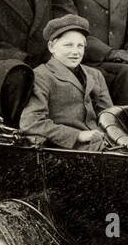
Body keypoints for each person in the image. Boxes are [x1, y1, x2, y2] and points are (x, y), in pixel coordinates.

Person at [19, 14, 113, 150]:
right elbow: (31, 123)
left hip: (102, 144)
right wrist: (78, 135)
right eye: (68, 45)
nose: (75, 52)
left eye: (80, 46)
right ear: (51, 47)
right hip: (67, 147)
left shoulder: (95, 75)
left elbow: (108, 115)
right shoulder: (41, 76)